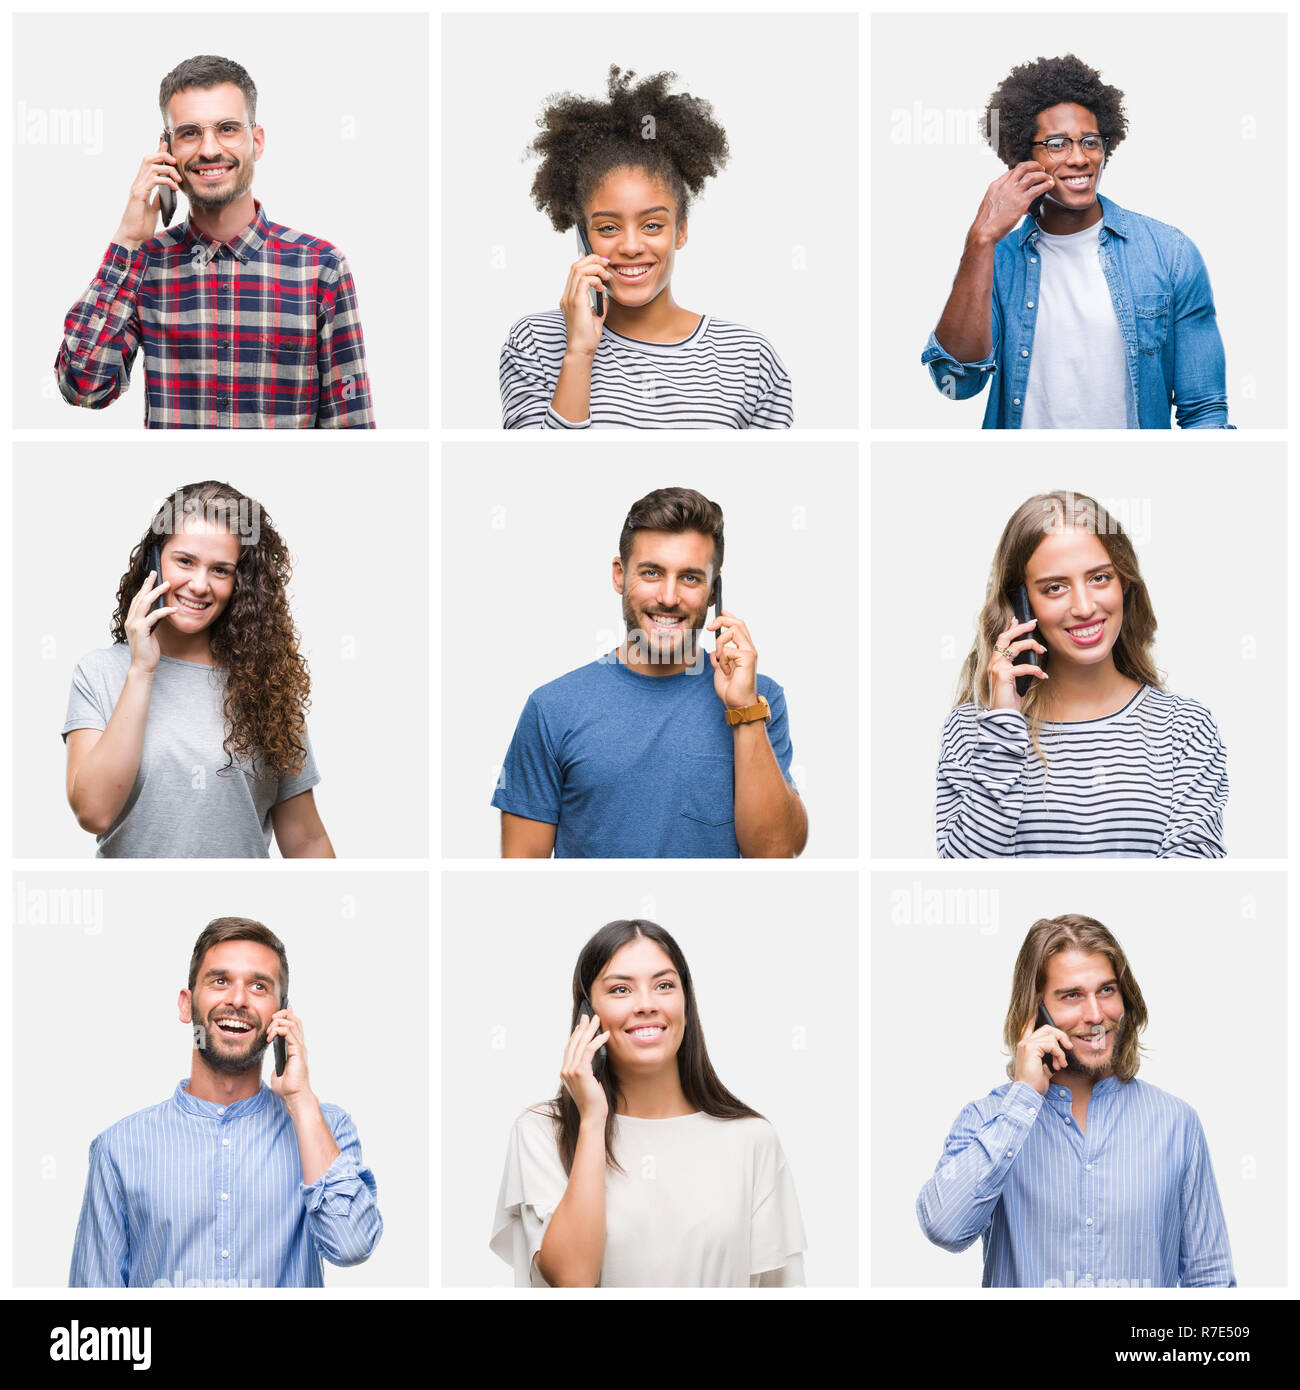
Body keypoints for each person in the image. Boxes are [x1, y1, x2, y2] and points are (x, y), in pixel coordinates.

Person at [916, 914, 1235, 1288]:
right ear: (1037, 1011)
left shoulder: (1177, 1123)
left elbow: (1210, 1279)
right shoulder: (988, 1119)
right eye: (1072, 996)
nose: (1096, 1015)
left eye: (1107, 990)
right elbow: (944, 1228)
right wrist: (1023, 1100)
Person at [55, 54, 373, 428]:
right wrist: (128, 241)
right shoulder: (145, 264)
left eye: (227, 128)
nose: (208, 149)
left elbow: (351, 432)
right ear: (166, 149)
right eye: (190, 132)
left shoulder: (321, 267)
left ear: (256, 141)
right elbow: (82, 387)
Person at [491, 486, 807, 857]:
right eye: (652, 573)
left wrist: (744, 711)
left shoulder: (759, 699)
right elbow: (522, 872)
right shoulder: (552, 708)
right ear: (619, 575)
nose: (669, 597)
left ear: (712, 590)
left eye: (690, 578)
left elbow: (776, 854)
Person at [921, 53, 1231, 429]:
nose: (1079, 158)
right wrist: (980, 241)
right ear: (1023, 156)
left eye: (1089, 142)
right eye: (1057, 144)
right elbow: (958, 384)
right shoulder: (998, 261)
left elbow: (1205, 411)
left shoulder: (1170, 254)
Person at [491, 919, 806, 1287]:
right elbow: (572, 1281)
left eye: (664, 985)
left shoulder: (752, 1139)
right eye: (621, 989)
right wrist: (592, 1120)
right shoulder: (542, 1131)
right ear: (586, 1015)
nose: (646, 1004)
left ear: (686, 1004)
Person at [70, 917, 382, 1287]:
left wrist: (300, 1101)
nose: (237, 999)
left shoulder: (324, 1127)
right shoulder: (119, 1148)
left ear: (281, 1016)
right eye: (220, 981)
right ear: (187, 1005)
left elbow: (350, 1245)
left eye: (258, 986)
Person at [936, 490, 1227, 858]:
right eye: (1055, 587)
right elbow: (967, 870)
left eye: (1100, 578)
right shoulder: (972, 730)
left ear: (1125, 582)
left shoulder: (1185, 727)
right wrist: (1004, 724)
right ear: (1021, 604)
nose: (1085, 607)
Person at [500, 65, 792, 429]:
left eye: (652, 225)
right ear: (583, 236)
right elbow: (540, 472)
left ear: (681, 231)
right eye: (608, 227)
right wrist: (578, 351)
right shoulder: (535, 343)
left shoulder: (749, 359)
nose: (632, 246)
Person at [63, 480, 334, 858]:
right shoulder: (100, 673)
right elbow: (94, 812)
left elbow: (306, 840)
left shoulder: (267, 684)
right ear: (156, 560)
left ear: (241, 583)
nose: (200, 585)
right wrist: (142, 670)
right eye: (185, 561)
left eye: (220, 570)